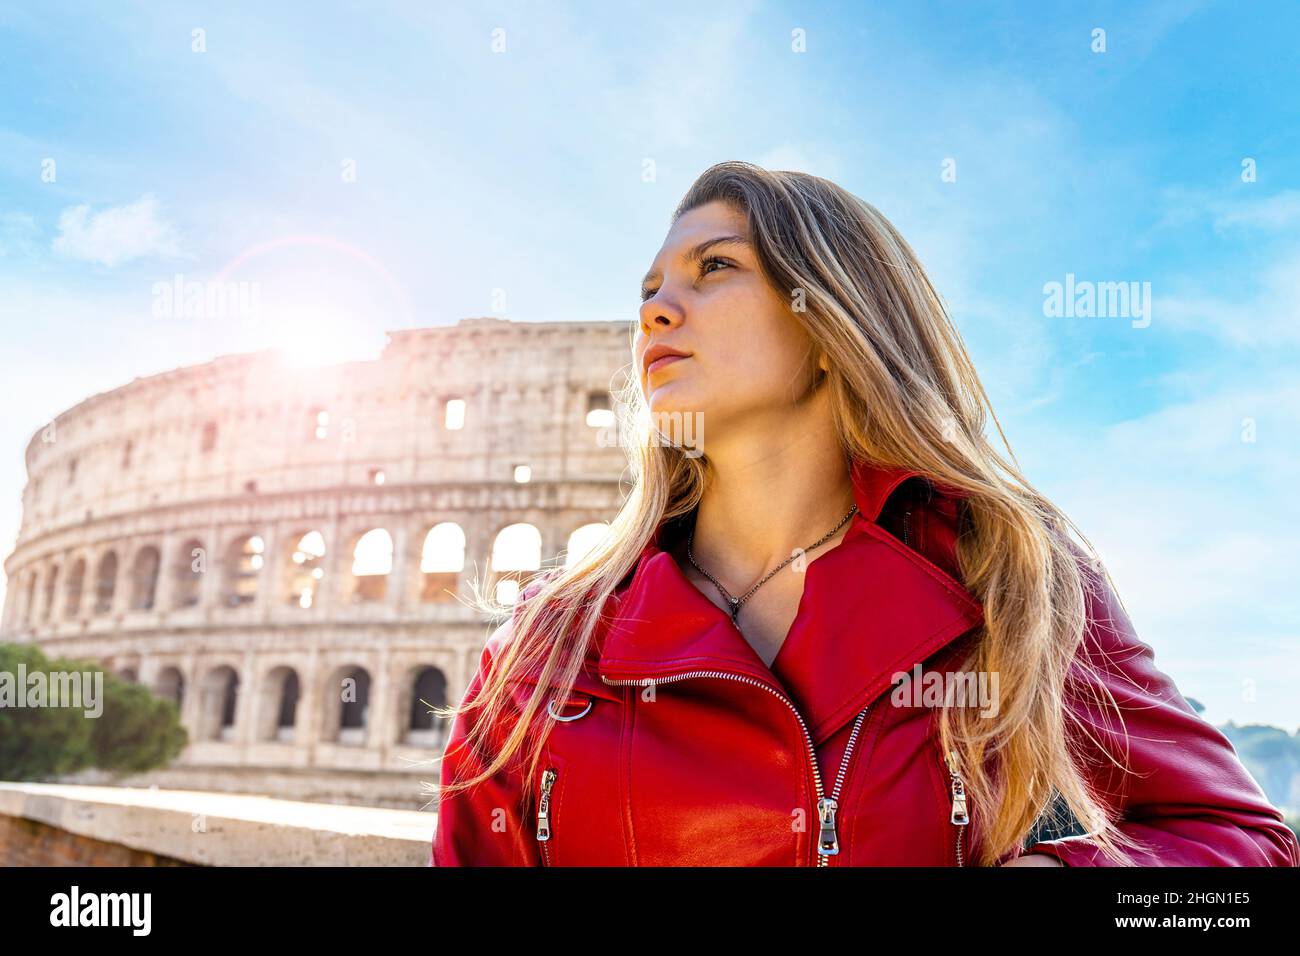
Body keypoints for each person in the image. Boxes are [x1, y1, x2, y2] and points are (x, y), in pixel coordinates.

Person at [429, 161, 1299, 867]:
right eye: (650, 288)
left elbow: (1247, 848)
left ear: (829, 317)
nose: (656, 307)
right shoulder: (544, 646)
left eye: (716, 267)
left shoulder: (1007, 574)